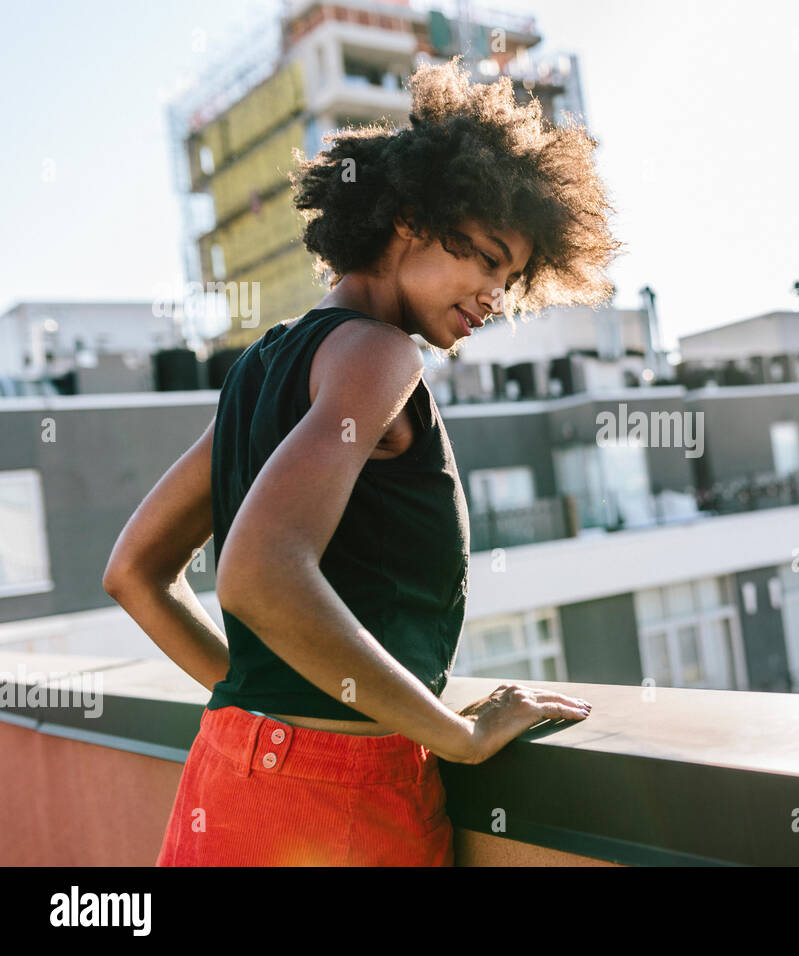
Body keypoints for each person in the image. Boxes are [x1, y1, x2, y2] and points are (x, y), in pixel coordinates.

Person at [102, 56, 623, 866]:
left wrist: (260, 705)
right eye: (485, 257)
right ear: (410, 219)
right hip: (335, 801)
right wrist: (454, 732)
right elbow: (258, 573)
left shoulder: (263, 363)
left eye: (511, 279)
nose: (495, 294)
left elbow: (134, 571)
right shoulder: (379, 355)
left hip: (232, 774)